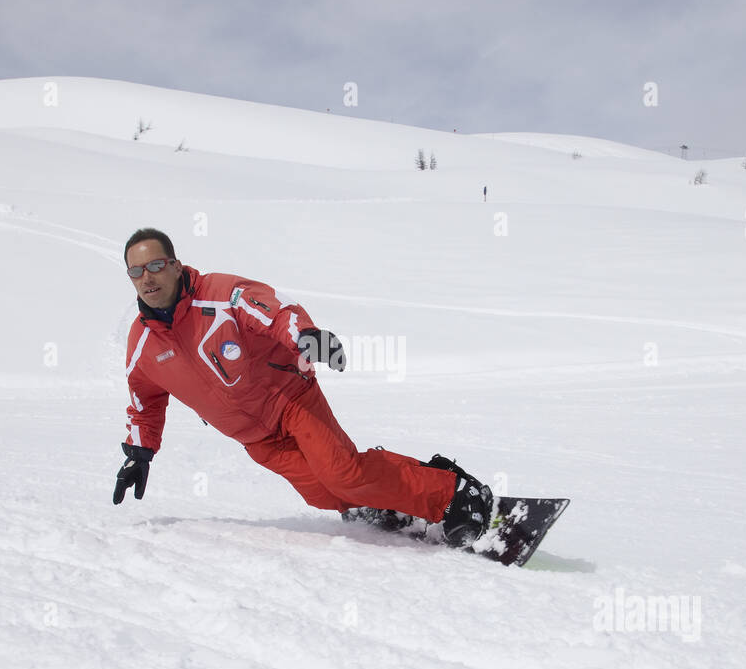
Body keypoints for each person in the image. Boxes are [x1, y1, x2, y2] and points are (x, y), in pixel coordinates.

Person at [111, 228, 493, 547]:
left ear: (175, 266)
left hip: (290, 398)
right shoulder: (142, 344)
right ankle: (392, 505)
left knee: (344, 473)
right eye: (136, 271)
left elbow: (275, 312)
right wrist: (139, 454)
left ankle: (456, 494)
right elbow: (144, 401)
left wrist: (306, 336)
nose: (148, 278)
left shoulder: (221, 294)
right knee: (325, 493)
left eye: (157, 266)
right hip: (256, 438)